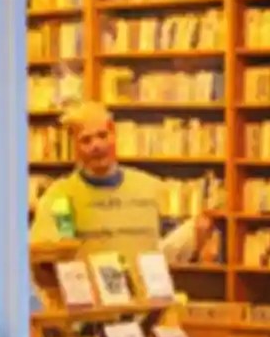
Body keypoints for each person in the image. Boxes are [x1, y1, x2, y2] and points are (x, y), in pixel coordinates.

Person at [29, 102, 215, 265]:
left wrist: (196, 238)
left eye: (102, 135)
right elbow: (52, 256)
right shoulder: (61, 198)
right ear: (75, 148)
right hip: (92, 303)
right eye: (86, 140)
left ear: (114, 135)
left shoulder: (149, 187)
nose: (97, 146)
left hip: (144, 301)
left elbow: (164, 250)